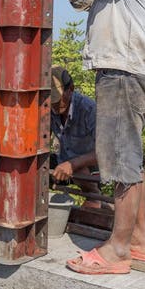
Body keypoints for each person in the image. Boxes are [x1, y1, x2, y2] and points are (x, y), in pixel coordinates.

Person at [44, 0, 145, 275]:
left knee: (122, 165)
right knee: (131, 164)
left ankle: (117, 251)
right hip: (119, 73)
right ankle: (139, 243)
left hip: (123, 74)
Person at [50, 65, 99, 203]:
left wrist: (73, 164)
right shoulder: (48, 109)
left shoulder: (89, 109)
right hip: (64, 159)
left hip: (90, 165)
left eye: (58, 98)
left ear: (71, 88)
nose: (54, 104)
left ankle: (94, 198)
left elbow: (104, 152)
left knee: (79, 171)